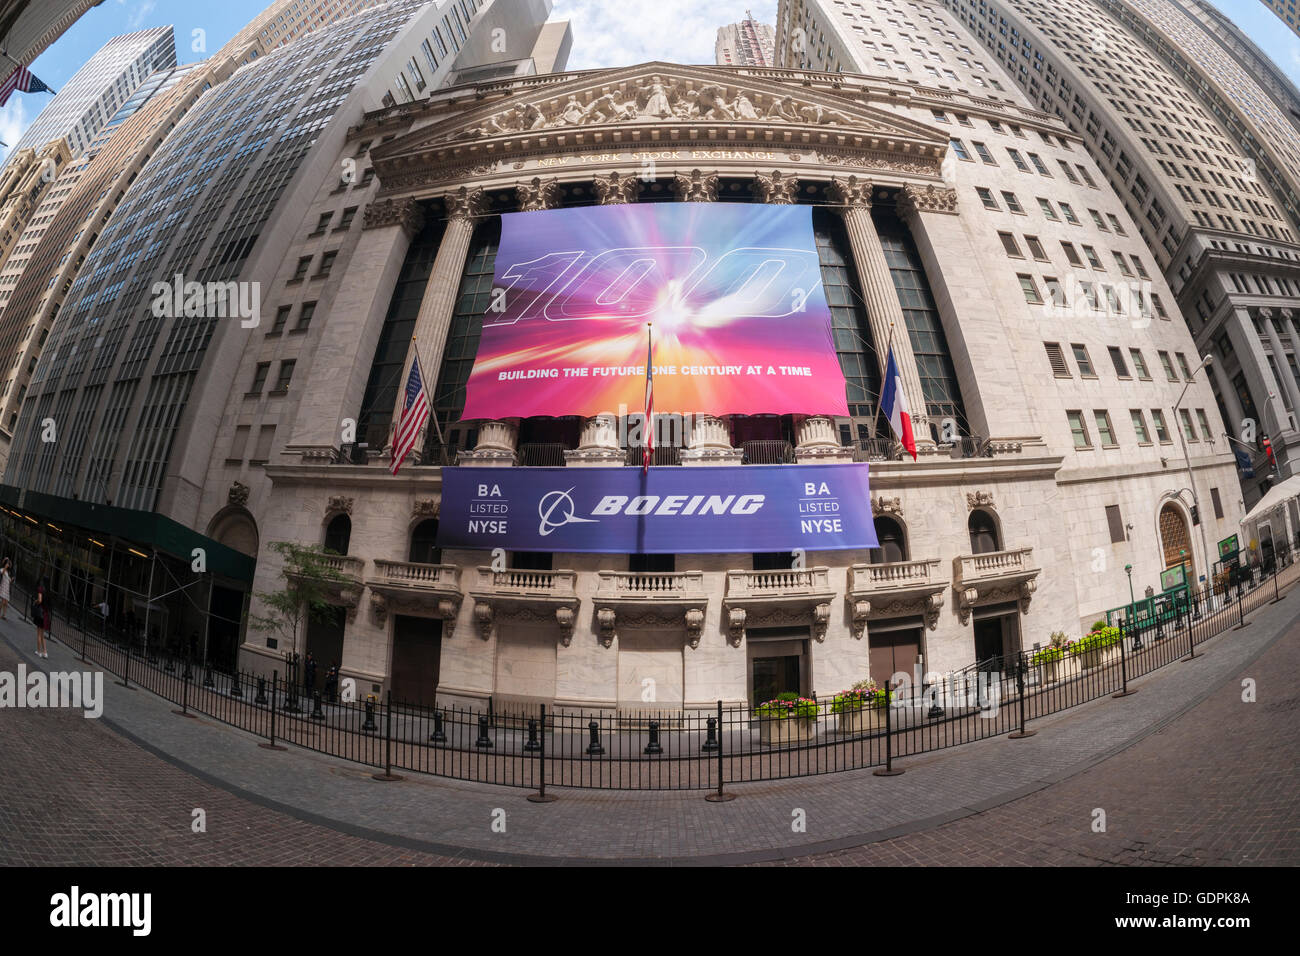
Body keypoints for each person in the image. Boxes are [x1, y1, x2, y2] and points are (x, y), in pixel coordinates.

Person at [32, 582, 49, 659]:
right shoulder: (47, 591)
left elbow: (40, 600)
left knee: (39, 634)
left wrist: (35, 601)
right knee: (42, 635)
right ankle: (45, 652)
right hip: (45, 614)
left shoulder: (40, 590)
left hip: (40, 614)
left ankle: (39, 651)